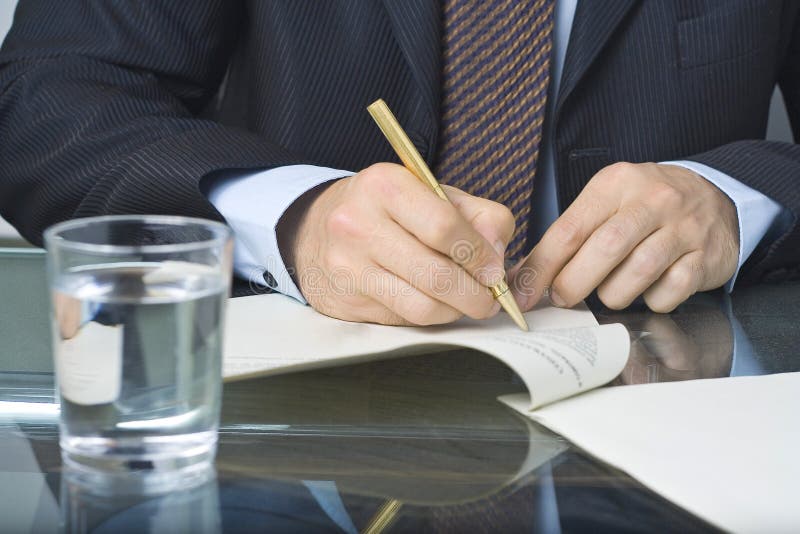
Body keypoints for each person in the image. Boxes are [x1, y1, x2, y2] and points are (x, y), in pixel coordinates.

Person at [0, 1, 797, 327]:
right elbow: (45, 99)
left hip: (666, 423)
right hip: (284, 445)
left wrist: (734, 201)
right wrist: (290, 218)